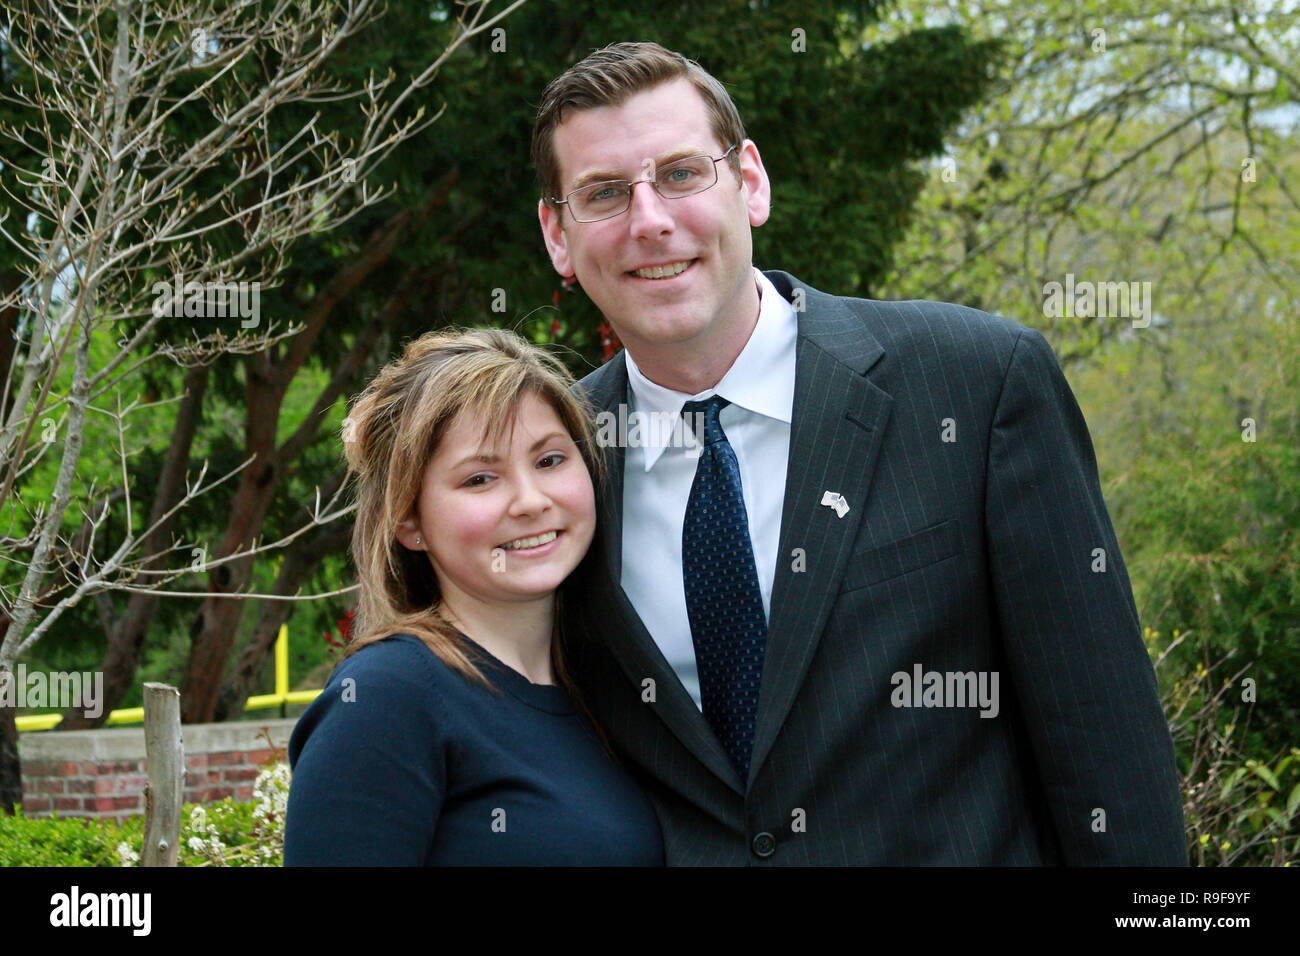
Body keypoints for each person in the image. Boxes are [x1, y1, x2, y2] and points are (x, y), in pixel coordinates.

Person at [533, 41, 1187, 865]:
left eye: (681, 174)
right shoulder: (552, 464)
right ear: (559, 235)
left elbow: (1108, 750)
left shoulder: (978, 384)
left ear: (750, 182)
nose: (651, 220)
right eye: (603, 194)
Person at [284, 328, 663, 865]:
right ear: (409, 519)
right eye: (481, 478)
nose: (531, 501)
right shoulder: (384, 700)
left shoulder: (602, 687)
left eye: (550, 460)